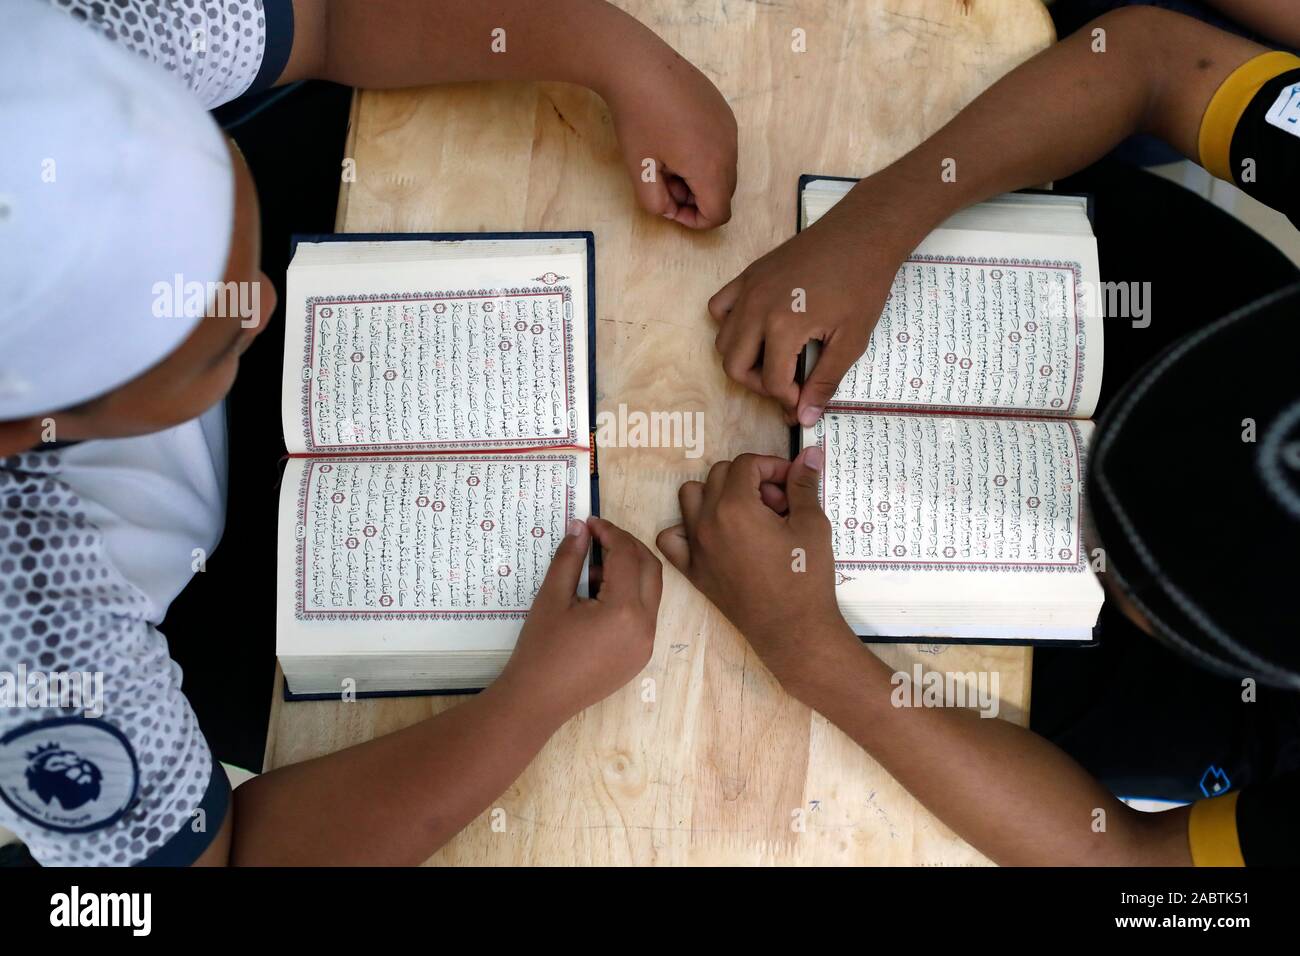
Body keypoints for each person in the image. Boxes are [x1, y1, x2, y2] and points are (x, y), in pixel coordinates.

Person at [0, 0, 681, 865]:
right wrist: (528, 707)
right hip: (191, 627)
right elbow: (219, 861)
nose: (270, 303)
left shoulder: (83, 40)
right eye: (223, 338)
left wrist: (617, 54)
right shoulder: (35, 638)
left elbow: (324, 17)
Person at [672, 4, 1300, 864]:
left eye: (1111, 558)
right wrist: (880, 220)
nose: (1060, 484)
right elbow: (1153, 59)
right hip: (1117, 286)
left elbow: (1128, 868)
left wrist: (816, 659)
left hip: (1090, 690)